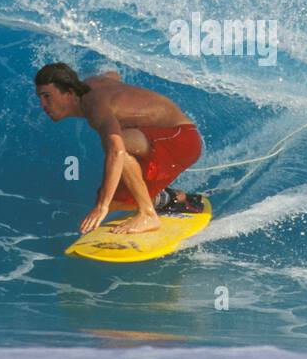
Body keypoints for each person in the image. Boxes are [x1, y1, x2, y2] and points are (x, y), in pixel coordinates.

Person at [35, 63, 204, 235]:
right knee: (114, 198)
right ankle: (173, 199)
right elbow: (111, 74)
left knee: (117, 146)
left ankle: (148, 214)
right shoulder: (91, 83)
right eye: (40, 98)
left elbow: (117, 150)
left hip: (182, 140)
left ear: (69, 92)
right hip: (160, 141)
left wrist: (102, 207)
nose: (42, 104)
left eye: (47, 96)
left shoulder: (94, 105)